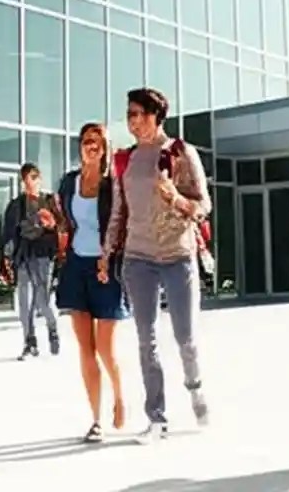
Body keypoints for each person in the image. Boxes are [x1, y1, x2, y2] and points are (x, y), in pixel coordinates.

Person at [100, 87, 212, 443]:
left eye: (136, 113)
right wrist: (107, 253)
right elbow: (119, 212)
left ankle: (195, 389)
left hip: (177, 255)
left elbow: (204, 205)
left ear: (154, 115)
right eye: (128, 113)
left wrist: (176, 199)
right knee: (145, 339)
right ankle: (157, 417)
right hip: (138, 257)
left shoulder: (180, 152)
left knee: (185, 337)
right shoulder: (124, 159)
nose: (130, 120)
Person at [55, 122, 128, 442]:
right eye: (87, 141)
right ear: (80, 146)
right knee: (85, 349)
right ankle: (95, 419)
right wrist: (52, 223)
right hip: (75, 267)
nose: (92, 146)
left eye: (98, 142)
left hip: (105, 269)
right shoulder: (69, 182)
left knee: (105, 350)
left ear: (106, 147)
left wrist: (106, 258)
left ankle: (120, 396)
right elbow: (65, 223)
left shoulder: (113, 185)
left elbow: (118, 224)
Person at [1, 163, 63, 359]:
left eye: (33, 178)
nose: (30, 183)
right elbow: (8, 232)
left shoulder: (50, 201)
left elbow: (62, 226)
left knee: (42, 301)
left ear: (40, 179)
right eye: (26, 179)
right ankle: (30, 342)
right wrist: (6, 257)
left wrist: (51, 224)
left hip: (44, 256)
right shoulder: (16, 205)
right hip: (23, 255)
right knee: (24, 302)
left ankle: (52, 329)